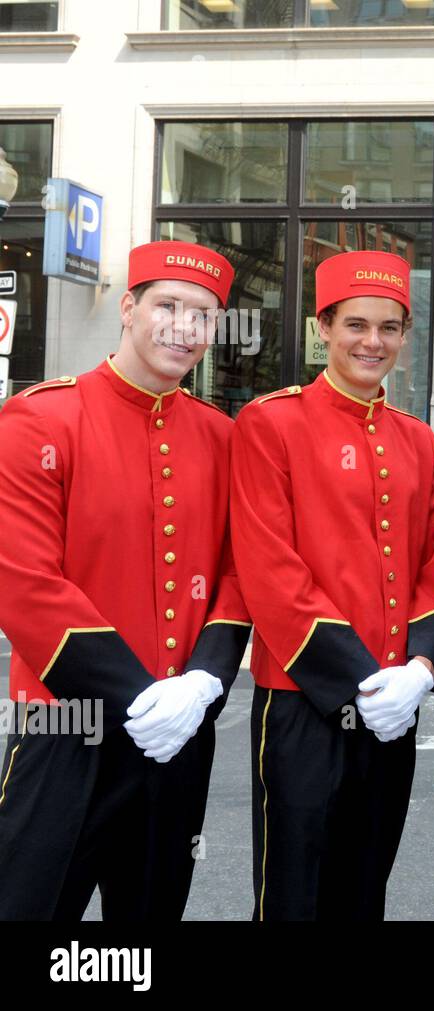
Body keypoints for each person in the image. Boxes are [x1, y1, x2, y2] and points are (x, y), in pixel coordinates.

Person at [0, 240, 250, 920]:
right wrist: (143, 699)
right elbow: (25, 584)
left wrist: (202, 682)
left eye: (202, 314)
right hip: (65, 725)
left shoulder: (223, 438)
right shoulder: (41, 418)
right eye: (167, 305)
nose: (183, 326)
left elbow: (238, 571)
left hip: (180, 731)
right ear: (129, 307)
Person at [230, 250, 434, 921]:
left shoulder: (418, 439)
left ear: (405, 337)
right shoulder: (271, 422)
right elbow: (270, 568)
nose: (372, 342)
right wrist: (362, 677)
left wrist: (418, 665)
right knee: (294, 892)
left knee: (365, 884)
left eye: (389, 328)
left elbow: (428, 563)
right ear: (322, 328)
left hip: (395, 699)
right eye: (356, 324)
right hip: (304, 697)